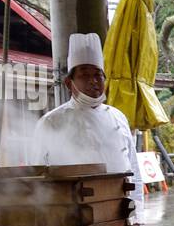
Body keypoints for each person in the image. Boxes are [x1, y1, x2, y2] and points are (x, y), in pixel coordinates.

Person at [32, 33, 143, 203]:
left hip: (117, 209)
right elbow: (37, 174)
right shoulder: (51, 122)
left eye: (98, 75)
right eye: (84, 75)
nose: (93, 81)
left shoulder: (118, 117)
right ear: (69, 83)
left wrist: (137, 213)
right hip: (70, 210)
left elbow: (133, 167)